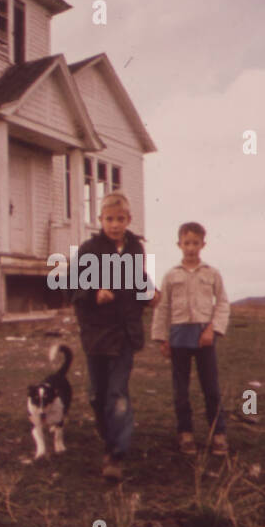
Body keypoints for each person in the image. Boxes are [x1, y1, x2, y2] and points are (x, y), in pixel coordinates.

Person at [71, 193, 159, 481]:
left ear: (128, 220)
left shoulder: (135, 249)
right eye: (109, 219)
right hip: (96, 334)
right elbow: (71, 286)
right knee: (98, 395)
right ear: (100, 221)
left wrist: (150, 294)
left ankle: (115, 453)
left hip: (124, 333)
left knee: (117, 393)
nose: (115, 224)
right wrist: (94, 293)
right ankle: (109, 436)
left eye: (120, 219)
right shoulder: (89, 250)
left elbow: (138, 281)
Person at [150, 222, 231, 456]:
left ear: (203, 244)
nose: (191, 248)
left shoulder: (212, 273)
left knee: (210, 387)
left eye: (196, 243)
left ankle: (218, 433)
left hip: (204, 337)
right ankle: (185, 433)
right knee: (181, 389)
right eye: (187, 243)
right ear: (179, 244)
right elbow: (162, 307)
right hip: (178, 336)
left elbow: (223, 303)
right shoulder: (171, 275)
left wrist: (212, 330)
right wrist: (161, 338)